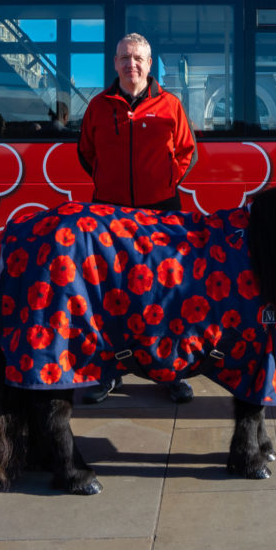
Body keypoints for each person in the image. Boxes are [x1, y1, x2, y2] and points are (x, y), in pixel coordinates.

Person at [76, 32, 198, 404]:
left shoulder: (170, 105)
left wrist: (163, 184)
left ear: (150, 63)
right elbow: (87, 153)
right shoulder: (98, 106)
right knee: (109, 294)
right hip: (108, 213)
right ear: (115, 63)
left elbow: (186, 152)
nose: (132, 64)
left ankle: (169, 372)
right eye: (125, 58)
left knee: (165, 293)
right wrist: (109, 185)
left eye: (139, 58)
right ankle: (108, 373)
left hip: (160, 213)